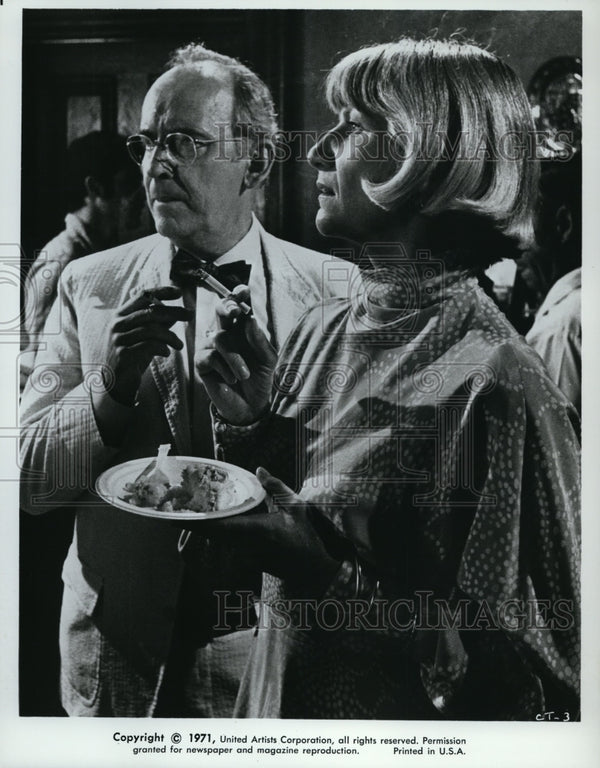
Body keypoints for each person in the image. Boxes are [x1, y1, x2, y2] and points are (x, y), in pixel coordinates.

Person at [196, 38, 581, 719]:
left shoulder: (491, 376)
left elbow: (517, 666)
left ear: (432, 157)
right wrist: (251, 423)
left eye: (351, 126)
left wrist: (326, 575)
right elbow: (289, 521)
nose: (317, 152)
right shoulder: (323, 330)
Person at [19, 43, 353, 717]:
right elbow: (29, 483)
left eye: (184, 142)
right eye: (146, 143)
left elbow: (349, 504)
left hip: (255, 661)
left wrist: (263, 426)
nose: (154, 164)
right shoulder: (87, 284)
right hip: (113, 655)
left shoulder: (334, 292)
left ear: (255, 160)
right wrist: (107, 389)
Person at [20, 131, 148, 389]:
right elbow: (39, 367)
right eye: (129, 183)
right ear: (95, 188)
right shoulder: (61, 260)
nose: (141, 196)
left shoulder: (103, 252)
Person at [526, 156, 582, 414]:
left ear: (563, 224)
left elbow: (554, 449)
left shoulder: (561, 330)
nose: (514, 242)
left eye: (524, 222)